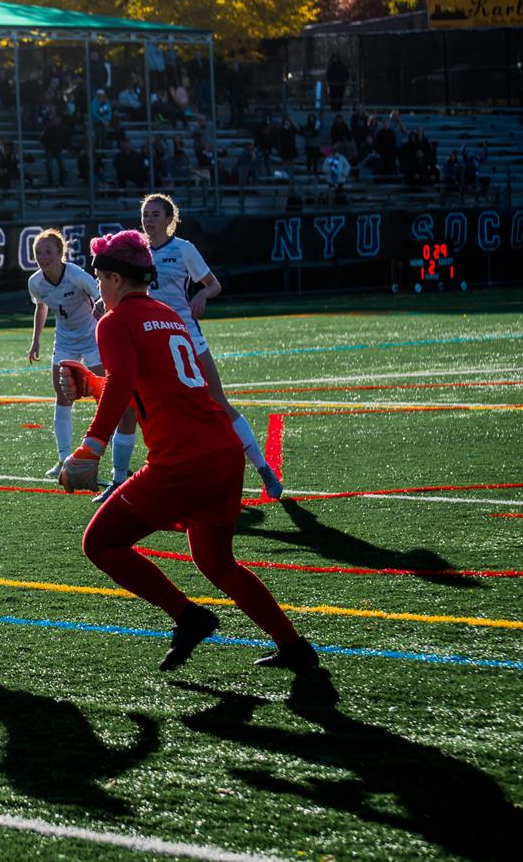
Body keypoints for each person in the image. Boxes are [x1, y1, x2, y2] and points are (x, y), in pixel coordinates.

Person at [59, 229, 319, 672]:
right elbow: (154, 385)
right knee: (216, 561)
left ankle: (188, 616)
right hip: (222, 450)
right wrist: (92, 385)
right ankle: (295, 646)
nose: (99, 289)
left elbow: (125, 385)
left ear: (118, 280)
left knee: (100, 544)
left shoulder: (115, 322)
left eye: (102, 279)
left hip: (184, 460)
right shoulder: (168, 314)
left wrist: (90, 447)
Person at [98, 194, 282, 504]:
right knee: (128, 409)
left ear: (170, 219)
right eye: (145, 214)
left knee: (217, 402)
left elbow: (213, 284)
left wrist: (202, 295)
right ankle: (118, 481)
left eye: (156, 214)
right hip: (144, 338)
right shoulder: (134, 254)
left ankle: (263, 468)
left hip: (181, 336)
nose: (149, 219)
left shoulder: (183, 250)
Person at [26, 229, 101, 477]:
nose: (42, 256)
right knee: (62, 396)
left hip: (92, 338)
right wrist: (35, 340)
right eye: (38, 252)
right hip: (65, 341)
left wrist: (106, 325)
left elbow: (100, 296)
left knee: (105, 394)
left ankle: (105, 456)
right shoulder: (35, 282)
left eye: (48, 251)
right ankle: (63, 458)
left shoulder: (76, 275)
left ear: (60, 253)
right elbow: (41, 307)